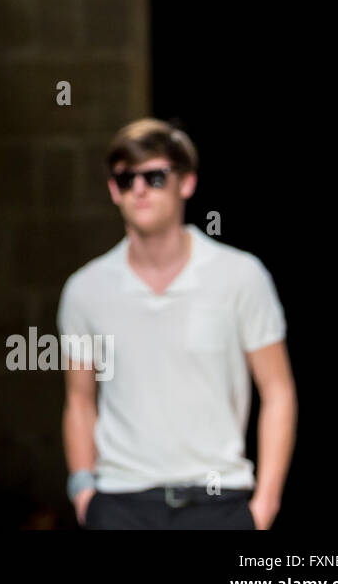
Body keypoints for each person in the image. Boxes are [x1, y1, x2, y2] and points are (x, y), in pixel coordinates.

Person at [57, 119, 297, 529]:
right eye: (126, 177)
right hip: (119, 502)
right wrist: (84, 493)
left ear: (185, 183)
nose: (139, 188)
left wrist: (264, 506)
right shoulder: (86, 289)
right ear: (114, 189)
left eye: (154, 176)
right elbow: (80, 400)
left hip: (218, 501)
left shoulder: (239, 276)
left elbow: (277, 389)